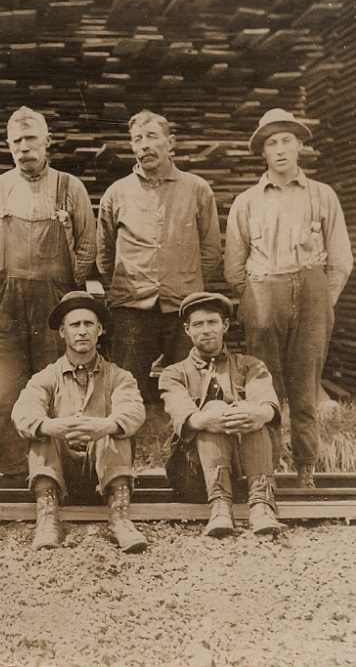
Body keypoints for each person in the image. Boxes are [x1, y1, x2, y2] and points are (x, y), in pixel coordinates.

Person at [225, 108, 353, 487]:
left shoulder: (322, 195)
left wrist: (321, 300)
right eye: (271, 143)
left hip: (312, 294)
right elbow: (233, 265)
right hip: (264, 292)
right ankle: (264, 470)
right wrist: (257, 296)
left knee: (305, 387)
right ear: (262, 153)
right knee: (265, 386)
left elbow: (342, 259)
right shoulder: (247, 201)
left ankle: (306, 467)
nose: (280, 149)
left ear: (299, 146)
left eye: (286, 141)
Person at [0, 107, 96, 478]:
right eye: (17, 142)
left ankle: (54, 469)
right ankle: (13, 469)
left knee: (55, 384)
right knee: (6, 387)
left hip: (53, 302)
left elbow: (88, 246)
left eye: (31, 140)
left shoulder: (68, 186)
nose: (24, 148)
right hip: (6, 303)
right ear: (8, 147)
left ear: (47, 141)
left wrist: (63, 286)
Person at [97, 110, 221, 403]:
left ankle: (182, 444)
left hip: (183, 306)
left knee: (187, 384)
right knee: (128, 386)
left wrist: (186, 283)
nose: (144, 146)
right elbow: (105, 255)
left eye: (152, 137)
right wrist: (127, 287)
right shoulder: (117, 193)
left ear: (170, 143)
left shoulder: (197, 189)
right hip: (132, 307)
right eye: (137, 139)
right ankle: (129, 445)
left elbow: (211, 250)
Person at [12, 292, 147, 553]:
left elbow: (133, 409)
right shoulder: (46, 377)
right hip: (60, 475)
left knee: (116, 429)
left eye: (89, 324)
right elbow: (23, 412)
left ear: (100, 330)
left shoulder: (119, 376)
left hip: (104, 474)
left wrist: (104, 426)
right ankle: (48, 518)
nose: (82, 331)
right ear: (62, 332)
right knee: (41, 431)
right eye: (75, 325)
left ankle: (120, 518)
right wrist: (52, 426)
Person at [159, 292, 285, 536]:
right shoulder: (173, 373)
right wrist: (211, 417)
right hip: (194, 476)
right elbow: (186, 416)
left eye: (212, 322)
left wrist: (259, 412)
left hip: (246, 469)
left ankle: (262, 505)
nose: (206, 330)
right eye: (198, 324)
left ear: (225, 325)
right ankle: (219, 507)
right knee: (212, 410)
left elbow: (267, 403)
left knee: (252, 412)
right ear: (187, 330)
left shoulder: (250, 365)